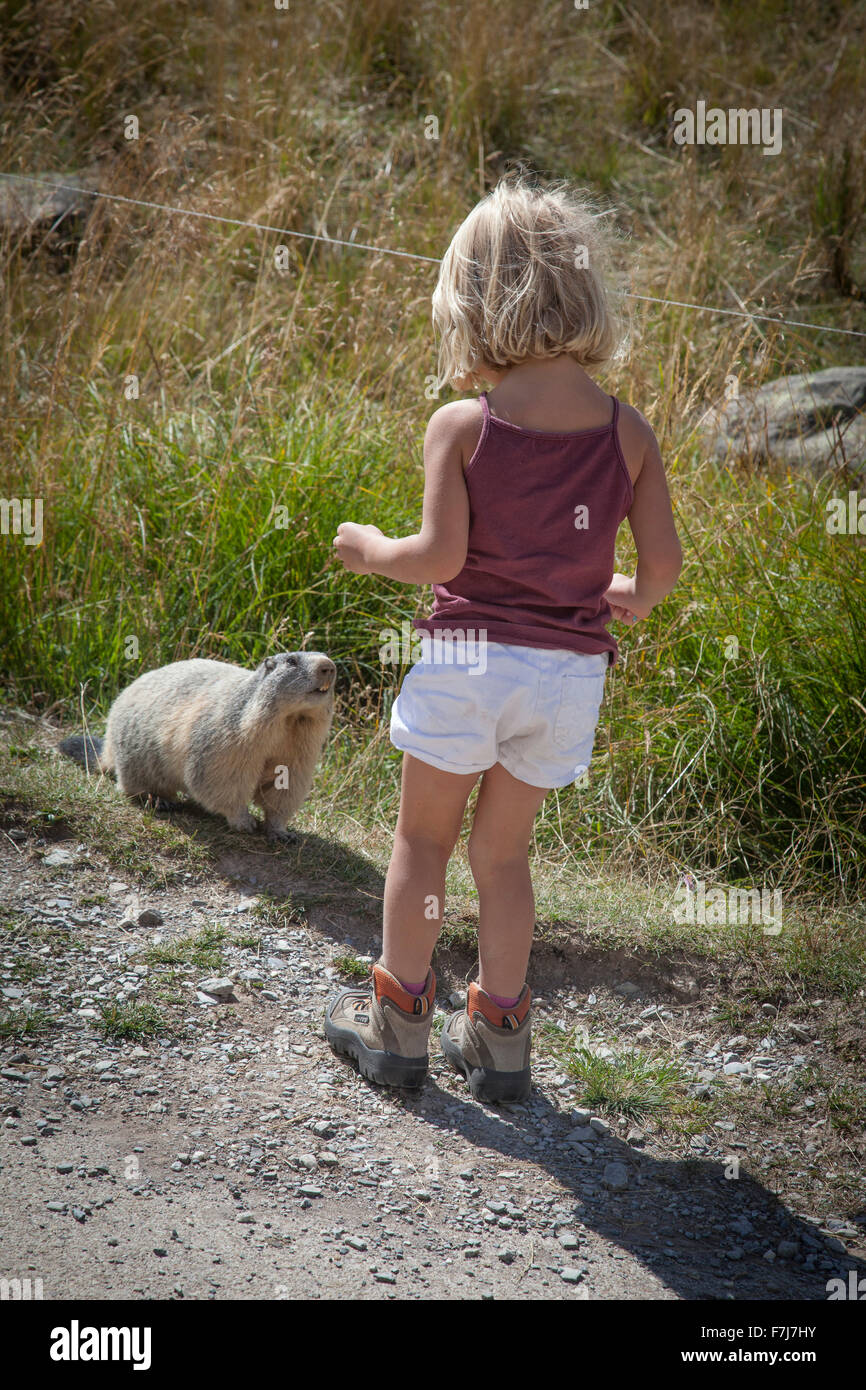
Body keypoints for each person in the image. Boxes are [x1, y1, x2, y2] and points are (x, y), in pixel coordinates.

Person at [326, 176, 682, 1104]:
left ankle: (399, 1023)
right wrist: (619, 595)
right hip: (567, 677)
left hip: (468, 663)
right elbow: (660, 573)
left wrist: (369, 552)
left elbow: (441, 553)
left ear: (475, 305)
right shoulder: (628, 433)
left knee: (421, 841)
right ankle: (500, 1036)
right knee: (504, 856)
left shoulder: (465, 426)